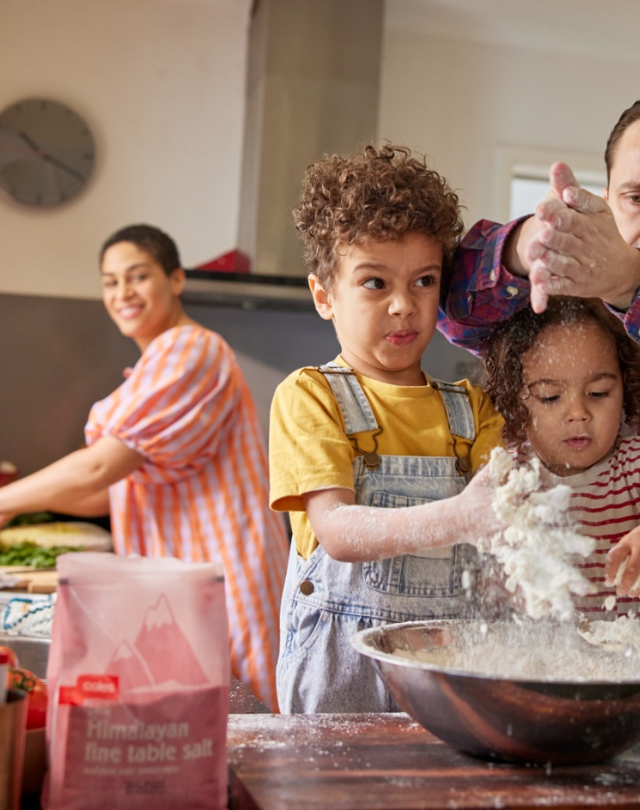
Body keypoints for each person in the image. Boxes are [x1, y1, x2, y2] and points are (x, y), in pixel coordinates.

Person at [0, 224, 288, 710]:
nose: (122, 293)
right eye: (110, 282)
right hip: (182, 587)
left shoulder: (192, 350)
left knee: (245, 733)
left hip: (224, 580)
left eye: (137, 276)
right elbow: (101, 491)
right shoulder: (154, 369)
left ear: (175, 279)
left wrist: (6, 501)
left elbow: (99, 470)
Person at [269, 144, 506, 714]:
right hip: (337, 674)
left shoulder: (474, 408)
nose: (404, 305)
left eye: (424, 281)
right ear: (325, 295)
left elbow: (508, 523)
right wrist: (462, 515)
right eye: (375, 283)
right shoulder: (309, 395)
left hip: (448, 670)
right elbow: (339, 533)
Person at [439, 100, 640, 354]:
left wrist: (630, 280)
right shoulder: (563, 298)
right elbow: (456, 319)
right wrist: (522, 249)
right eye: (636, 198)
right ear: (607, 202)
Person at [483, 295, 640, 616]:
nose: (578, 413)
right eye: (550, 397)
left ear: (626, 388)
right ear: (516, 401)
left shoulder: (635, 466)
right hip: (543, 658)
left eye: (598, 393)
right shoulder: (506, 481)